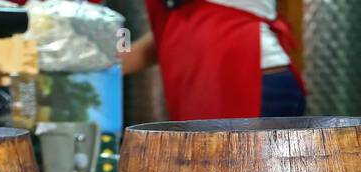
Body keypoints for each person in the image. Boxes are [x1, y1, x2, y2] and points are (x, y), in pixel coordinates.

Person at [121, 0, 306, 121]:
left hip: (242, 80)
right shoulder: (189, 14)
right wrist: (104, 64)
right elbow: (172, 36)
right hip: (217, 79)